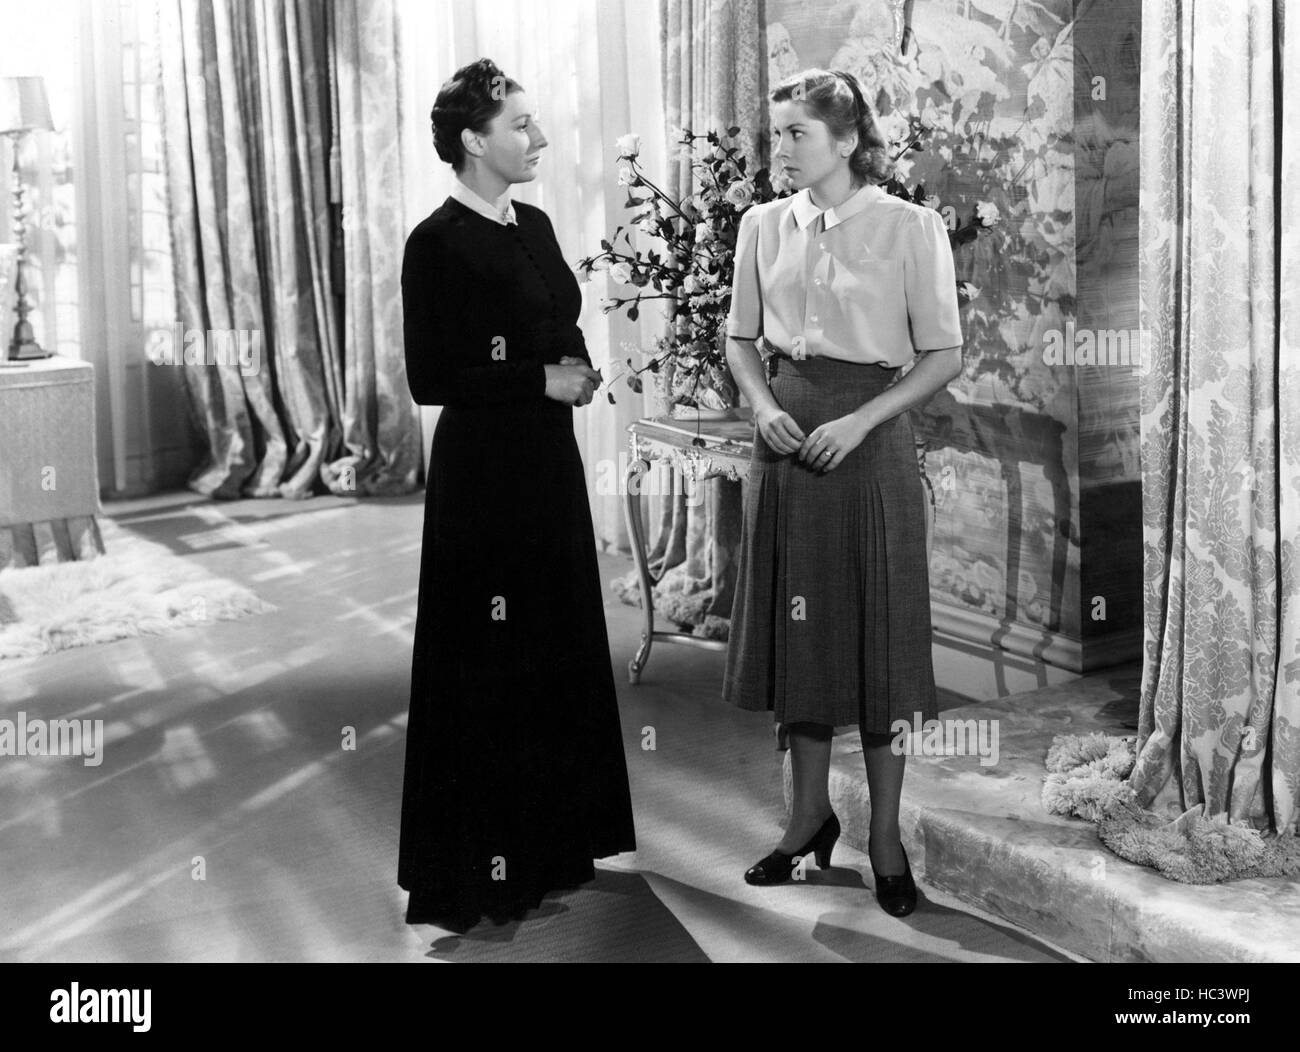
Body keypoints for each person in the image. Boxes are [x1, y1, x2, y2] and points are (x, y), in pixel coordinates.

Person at [397, 58, 636, 933]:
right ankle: (482, 871)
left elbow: (553, 324)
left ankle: (553, 844)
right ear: (473, 140)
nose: (537, 139)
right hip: (484, 479)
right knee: (488, 658)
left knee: (554, 641)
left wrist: (573, 366)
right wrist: (539, 379)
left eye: (534, 124)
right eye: (521, 125)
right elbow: (431, 377)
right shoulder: (435, 242)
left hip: (547, 463)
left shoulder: (532, 222)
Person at [722, 68, 963, 917]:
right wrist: (761, 406)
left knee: (882, 648)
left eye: (796, 133)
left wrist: (861, 422)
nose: (778, 147)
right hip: (786, 443)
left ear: (847, 139)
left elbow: (941, 354)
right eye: (776, 132)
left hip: (868, 444)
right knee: (805, 643)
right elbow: (740, 338)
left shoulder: (910, 227)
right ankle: (806, 821)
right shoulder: (760, 225)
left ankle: (886, 836)